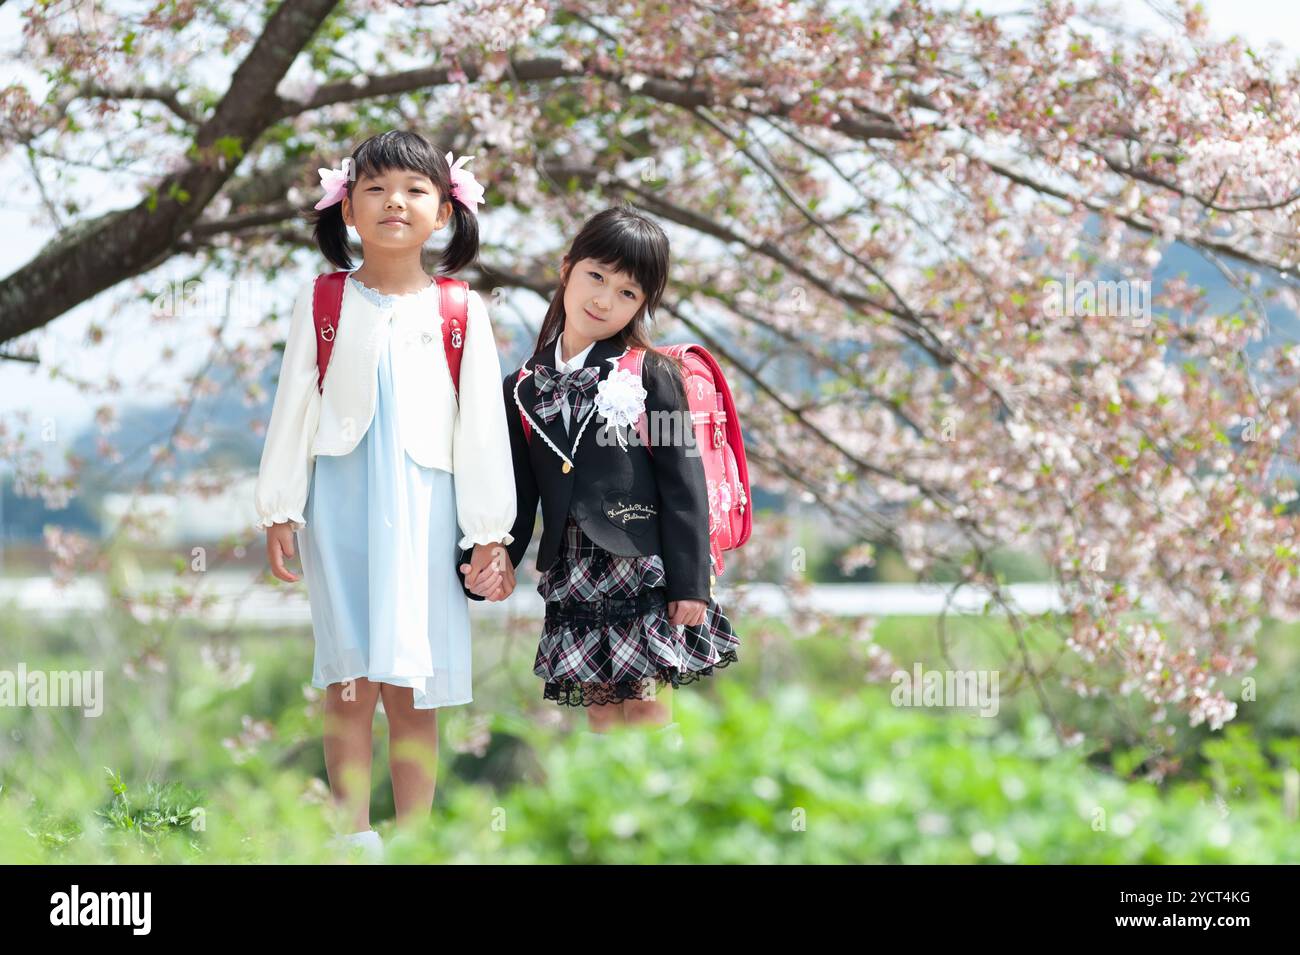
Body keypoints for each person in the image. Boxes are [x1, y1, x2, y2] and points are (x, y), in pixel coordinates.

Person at [253, 130, 516, 858]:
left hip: (429, 512)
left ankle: (416, 842)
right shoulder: (326, 300)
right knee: (348, 670)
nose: (393, 202)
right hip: (340, 503)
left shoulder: (461, 309)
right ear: (347, 209)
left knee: (414, 678)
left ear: (444, 213)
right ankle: (350, 837)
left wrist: (490, 530)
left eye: (413, 190)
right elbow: (294, 403)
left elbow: (482, 428)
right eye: (374, 189)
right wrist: (280, 506)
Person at [495, 203, 739, 733]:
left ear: (643, 305)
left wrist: (692, 582)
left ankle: (660, 814)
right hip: (574, 570)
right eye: (596, 277)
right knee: (603, 713)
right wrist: (498, 558)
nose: (605, 300)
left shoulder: (652, 373)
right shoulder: (521, 386)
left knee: (649, 707)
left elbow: (685, 482)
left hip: (644, 566)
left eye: (628, 293)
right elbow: (522, 492)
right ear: (567, 270)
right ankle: (613, 815)